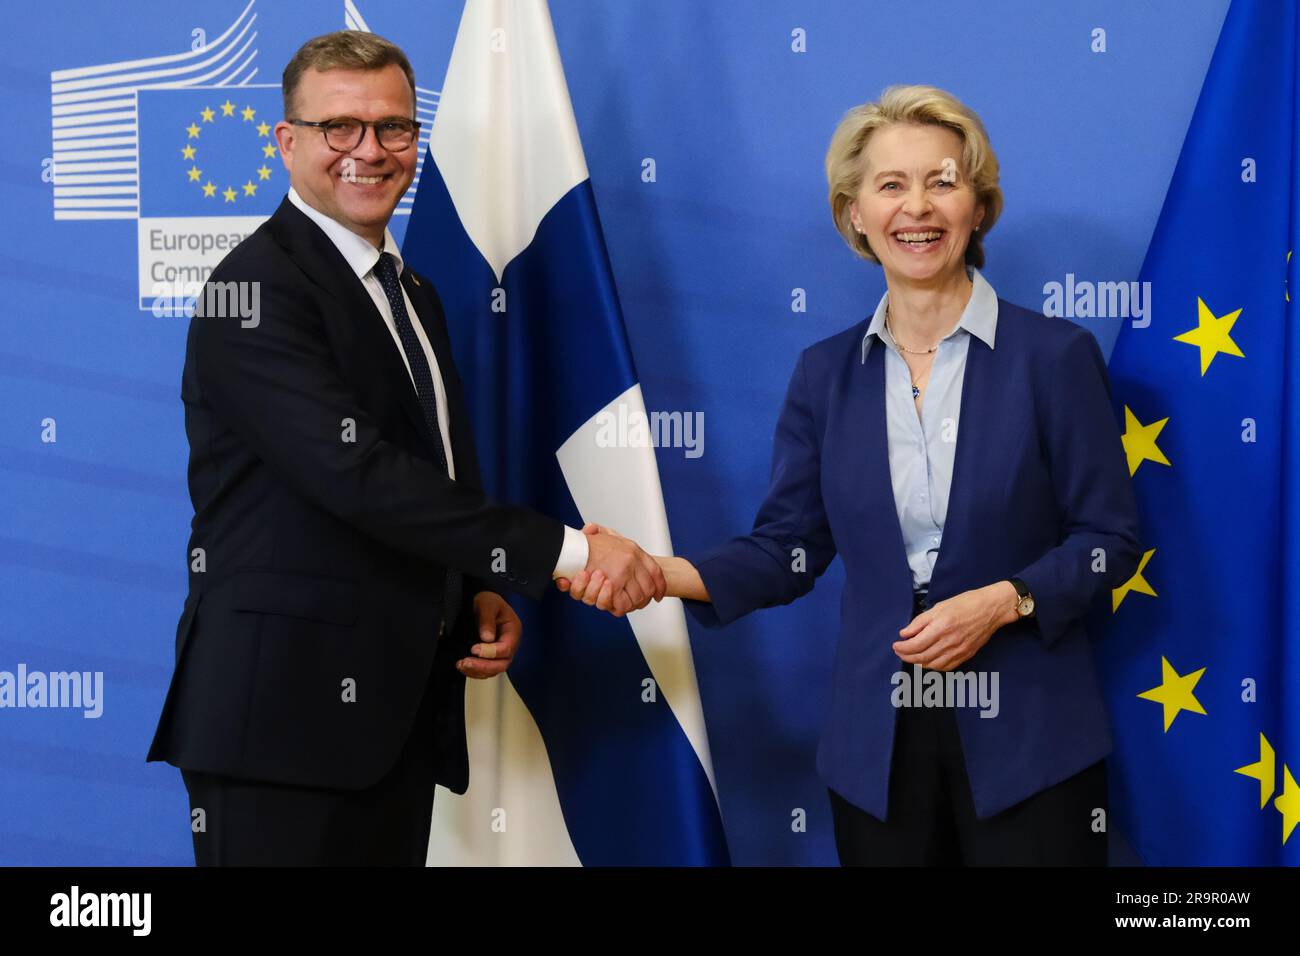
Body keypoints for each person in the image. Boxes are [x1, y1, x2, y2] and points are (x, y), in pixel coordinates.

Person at [560, 85, 1142, 866]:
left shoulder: (1055, 357)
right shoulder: (825, 375)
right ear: (854, 215)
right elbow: (786, 549)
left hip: (1031, 740)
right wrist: (658, 572)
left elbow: (1110, 539)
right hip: (878, 748)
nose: (919, 207)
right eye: (890, 185)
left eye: (943, 180)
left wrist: (1007, 600)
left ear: (978, 205)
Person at [146, 30, 664, 866]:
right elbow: (355, 475)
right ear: (287, 142)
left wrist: (473, 586)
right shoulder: (255, 291)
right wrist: (568, 552)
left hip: (393, 721)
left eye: (392, 128)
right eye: (338, 129)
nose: (368, 152)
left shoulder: (411, 288)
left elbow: (427, 464)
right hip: (281, 723)